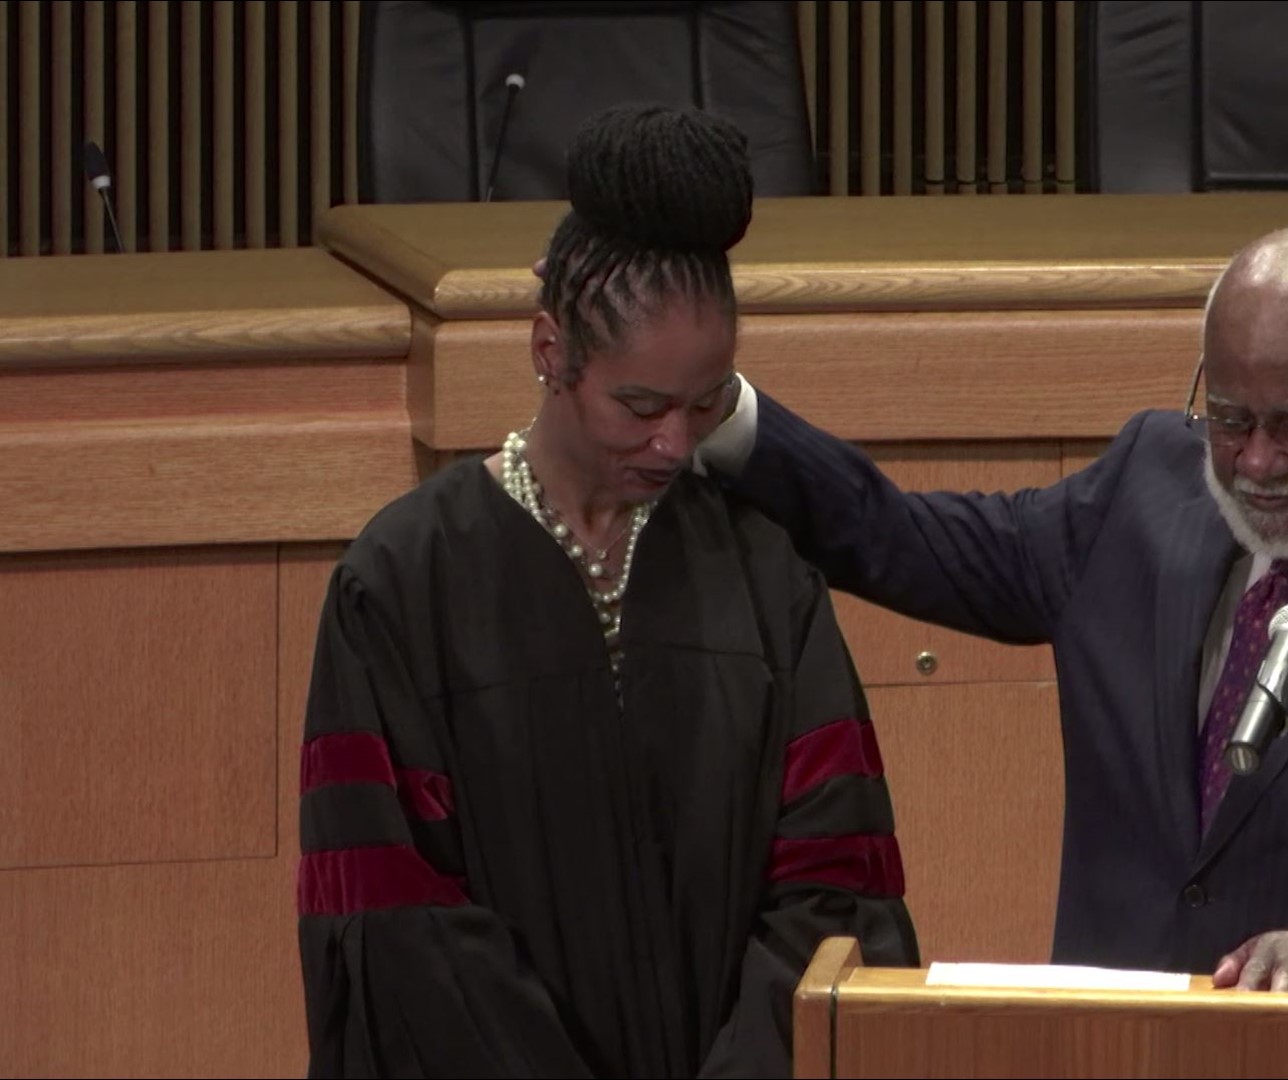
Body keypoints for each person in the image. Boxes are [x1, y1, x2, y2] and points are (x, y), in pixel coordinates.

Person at [696, 226, 1288, 994]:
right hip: (1110, 1045)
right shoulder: (1144, 488)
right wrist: (720, 416)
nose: (1256, 462)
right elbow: (899, 537)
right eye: (1228, 418)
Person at [296, 104, 919, 1079]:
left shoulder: (765, 580)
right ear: (551, 351)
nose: (676, 443)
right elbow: (402, 932)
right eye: (640, 405)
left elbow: (834, 900)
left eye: (705, 402)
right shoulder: (404, 584)